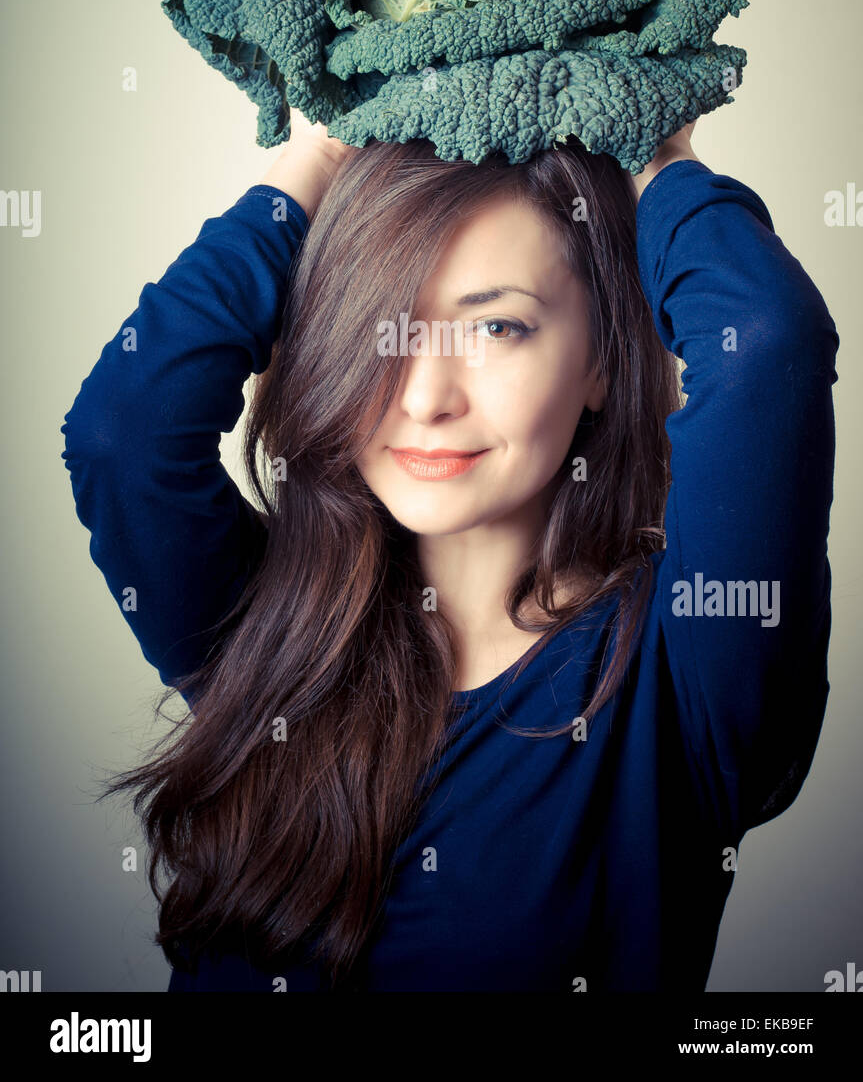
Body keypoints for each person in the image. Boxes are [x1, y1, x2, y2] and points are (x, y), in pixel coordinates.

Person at [60, 110, 838, 992]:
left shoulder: (686, 668)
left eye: (495, 327)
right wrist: (315, 158)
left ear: (601, 364)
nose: (425, 396)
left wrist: (653, 144)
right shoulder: (268, 631)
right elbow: (122, 434)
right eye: (382, 329)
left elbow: (764, 341)